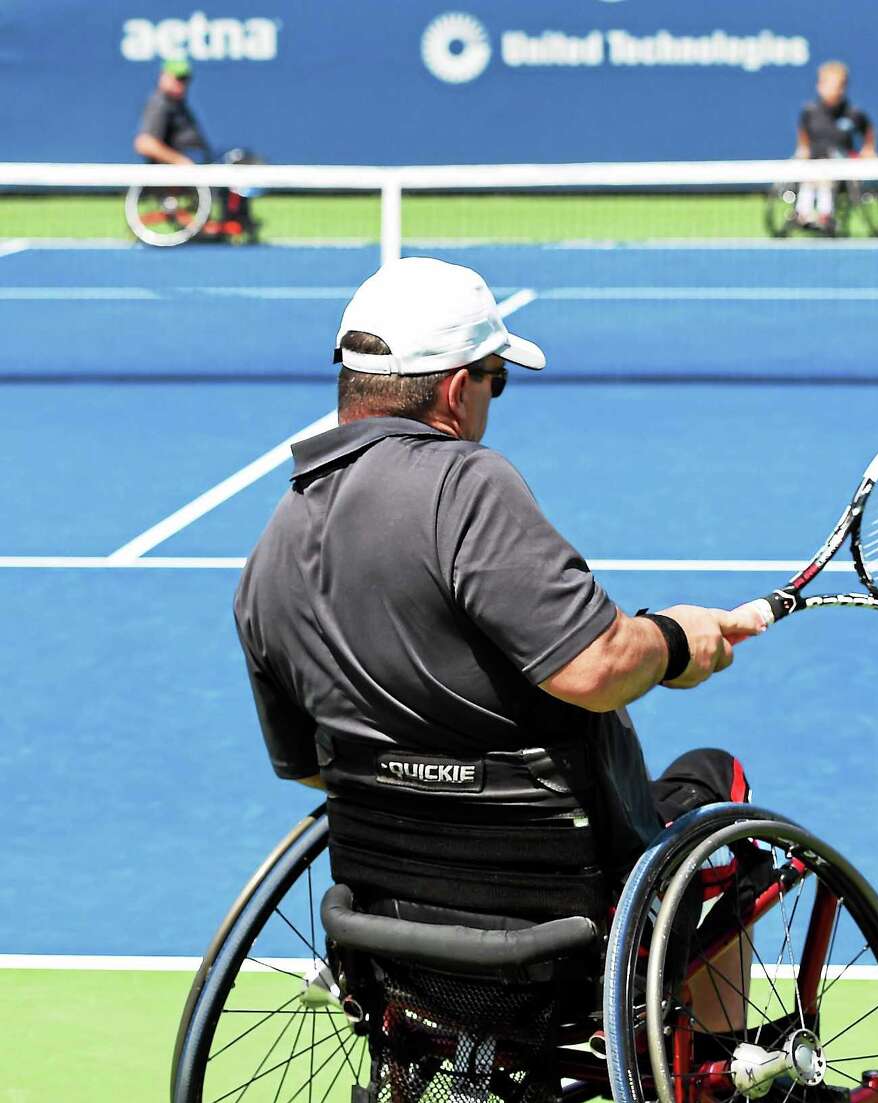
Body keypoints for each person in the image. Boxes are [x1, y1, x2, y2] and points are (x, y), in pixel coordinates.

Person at [233, 256, 763, 1030]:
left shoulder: (271, 548)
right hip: (560, 926)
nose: (493, 399)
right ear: (457, 389)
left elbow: (314, 767)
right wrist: (679, 641)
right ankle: (718, 1097)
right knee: (719, 784)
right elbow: (596, 665)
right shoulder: (464, 484)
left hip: (396, 935)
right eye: (496, 380)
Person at [133, 59, 253, 234]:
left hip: (202, 159)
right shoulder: (159, 104)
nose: (182, 84)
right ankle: (231, 223)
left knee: (239, 158)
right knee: (231, 163)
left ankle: (236, 219)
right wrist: (179, 161)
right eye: (177, 78)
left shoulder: (176, 105)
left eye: (185, 79)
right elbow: (144, 143)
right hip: (188, 164)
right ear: (163, 77)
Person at [793, 60, 878, 233]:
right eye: (828, 85)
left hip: (840, 166)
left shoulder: (854, 114)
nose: (832, 90)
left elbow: (868, 131)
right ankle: (803, 215)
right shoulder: (809, 112)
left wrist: (869, 149)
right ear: (819, 86)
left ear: (843, 87)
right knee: (809, 176)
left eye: (837, 86)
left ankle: (825, 216)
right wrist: (803, 149)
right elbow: (803, 133)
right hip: (812, 164)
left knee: (824, 176)